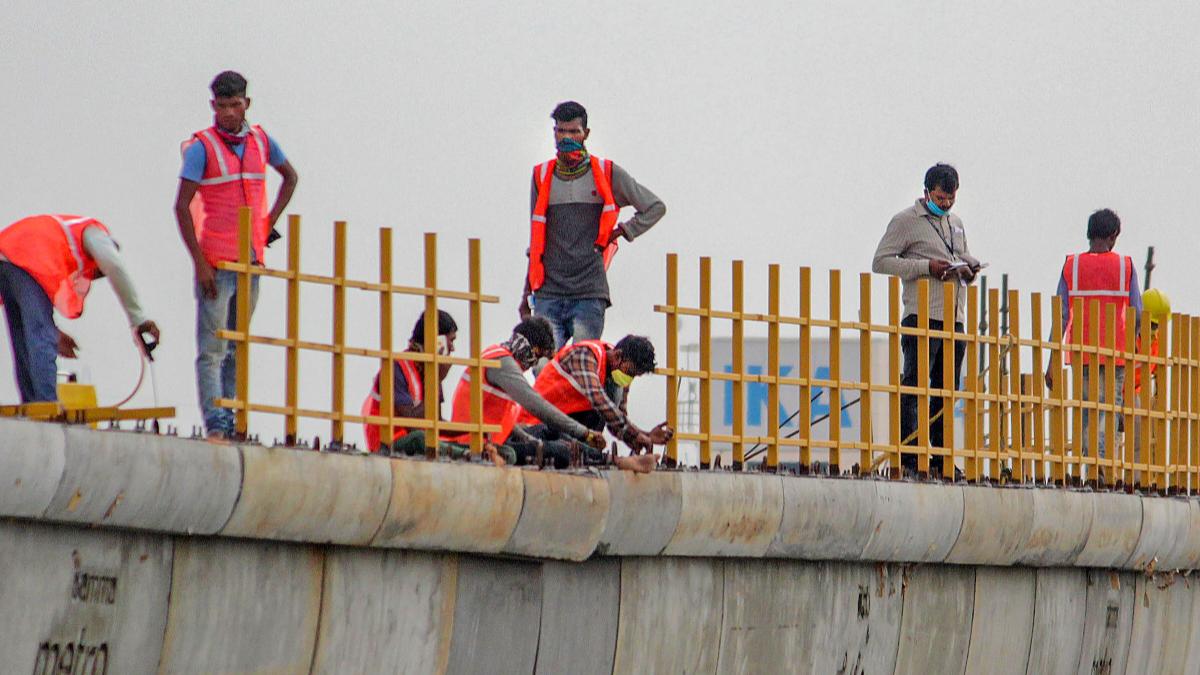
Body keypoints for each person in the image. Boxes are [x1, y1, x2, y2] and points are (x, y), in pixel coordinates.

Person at [174, 70, 299, 441]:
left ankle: (233, 420)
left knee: (237, 346)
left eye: (235, 105)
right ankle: (217, 424)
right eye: (222, 106)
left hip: (250, 262)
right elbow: (181, 207)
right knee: (213, 349)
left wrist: (267, 223)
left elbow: (290, 177)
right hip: (217, 261)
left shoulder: (261, 140)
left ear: (247, 103)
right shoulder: (203, 148)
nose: (229, 112)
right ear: (213, 106)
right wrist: (199, 264)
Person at [518, 101, 666, 348]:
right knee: (543, 368)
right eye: (561, 131)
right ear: (554, 133)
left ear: (586, 134)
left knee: (580, 365)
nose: (567, 138)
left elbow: (654, 206)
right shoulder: (541, 176)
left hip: (588, 291)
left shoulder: (606, 173)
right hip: (548, 291)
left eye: (574, 131)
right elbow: (536, 242)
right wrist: (526, 295)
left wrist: (622, 231)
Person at [872, 163, 981, 476]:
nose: (945, 204)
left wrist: (969, 268)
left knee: (947, 388)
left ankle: (941, 454)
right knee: (916, 383)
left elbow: (962, 254)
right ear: (926, 192)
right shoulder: (906, 221)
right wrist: (924, 268)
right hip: (922, 313)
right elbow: (881, 262)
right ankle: (911, 452)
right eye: (940, 197)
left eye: (950, 198)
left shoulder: (955, 223)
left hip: (954, 316)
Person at [0, 215, 159, 403]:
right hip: (25, 255)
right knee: (38, 337)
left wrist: (54, 333)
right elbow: (114, 267)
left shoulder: (60, 248)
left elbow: (34, 316)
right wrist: (138, 319)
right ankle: (46, 404)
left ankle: (32, 404)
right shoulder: (94, 233)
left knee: (23, 338)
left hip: (7, 255)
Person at [443, 316, 607, 468]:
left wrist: (528, 439)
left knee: (550, 431)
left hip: (496, 436)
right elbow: (536, 404)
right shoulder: (501, 363)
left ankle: (600, 456)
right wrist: (583, 432)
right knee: (561, 451)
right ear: (530, 348)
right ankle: (607, 460)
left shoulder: (498, 355)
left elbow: (498, 418)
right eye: (538, 355)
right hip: (478, 443)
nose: (534, 363)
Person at [1046, 208, 1141, 467]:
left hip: (1082, 351)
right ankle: (1105, 465)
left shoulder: (1072, 265)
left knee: (1087, 409)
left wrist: (1051, 361)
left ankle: (1091, 465)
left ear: (1089, 234)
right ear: (1113, 236)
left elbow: (1061, 314)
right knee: (1109, 410)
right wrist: (1130, 343)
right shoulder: (1125, 266)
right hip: (1116, 353)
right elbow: (1138, 313)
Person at [518, 335, 673, 472]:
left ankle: (593, 457)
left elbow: (615, 419)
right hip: (538, 425)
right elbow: (598, 400)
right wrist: (635, 434)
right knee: (566, 444)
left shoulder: (617, 371)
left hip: (567, 424)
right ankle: (616, 462)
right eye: (630, 373)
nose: (629, 379)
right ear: (618, 356)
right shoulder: (586, 355)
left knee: (597, 418)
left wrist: (643, 436)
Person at [362, 310, 474, 459]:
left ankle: (471, 452)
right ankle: (465, 455)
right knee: (419, 438)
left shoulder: (430, 368)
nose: (452, 348)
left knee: (501, 451)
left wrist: (473, 430)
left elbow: (437, 422)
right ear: (437, 341)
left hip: (421, 440)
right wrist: (436, 380)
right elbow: (411, 424)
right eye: (450, 341)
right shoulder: (396, 367)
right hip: (389, 443)